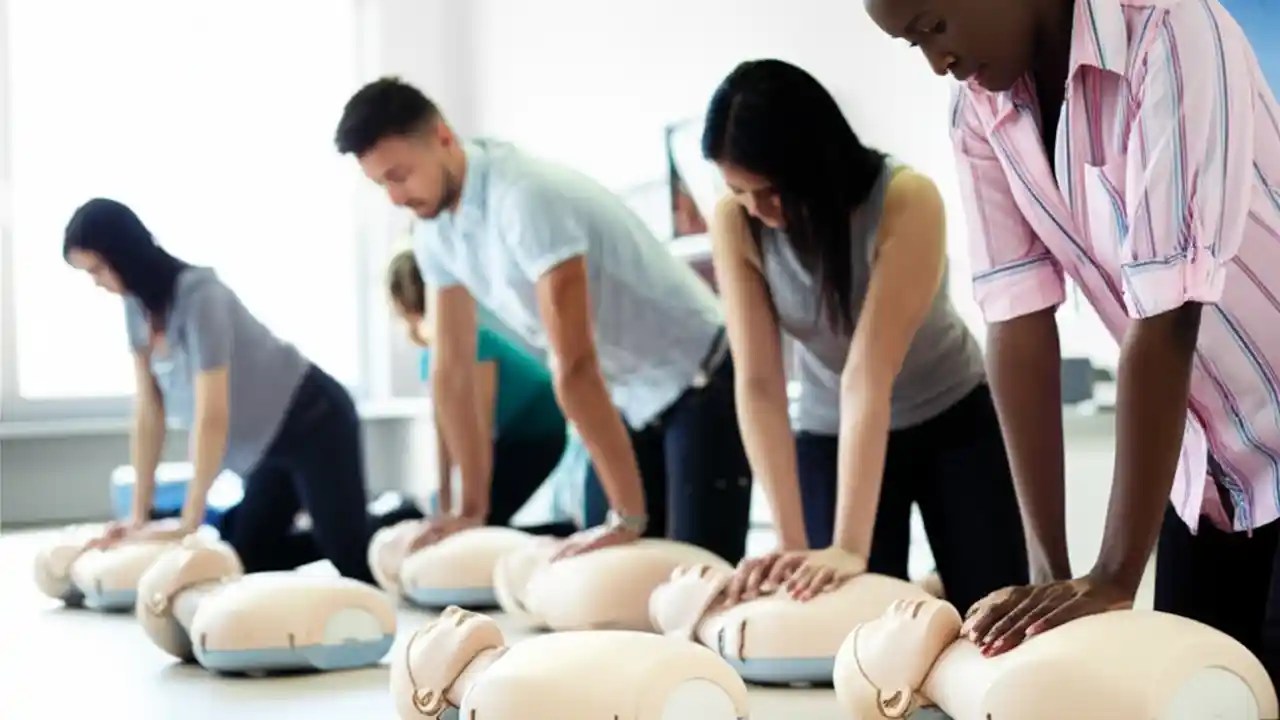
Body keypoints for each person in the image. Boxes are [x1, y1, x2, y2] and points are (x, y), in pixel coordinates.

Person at [864, 0, 1280, 683]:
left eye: (936, 26)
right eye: (915, 45)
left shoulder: (1172, 31)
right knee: (1198, 690)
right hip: (1206, 473)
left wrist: (1115, 574)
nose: (940, 61)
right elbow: (1017, 317)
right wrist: (1047, 573)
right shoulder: (979, 112)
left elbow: (1169, 314)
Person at [335, 78, 753, 564]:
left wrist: (627, 516)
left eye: (400, 175)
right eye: (380, 183)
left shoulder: (524, 197)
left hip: (699, 373)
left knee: (693, 571)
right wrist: (471, 510)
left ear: (443, 138)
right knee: (614, 571)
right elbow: (451, 370)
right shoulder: (435, 231)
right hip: (628, 391)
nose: (394, 197)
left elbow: (574, 361)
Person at [700, 59, 1028, 615]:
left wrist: (848, 546)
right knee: (846, 610)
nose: (758, 209)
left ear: (811, 164)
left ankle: (938, 590)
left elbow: (868, 372)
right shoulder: (737, 222)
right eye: (739, 190)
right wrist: (792, 543)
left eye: (770, 191)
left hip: (950, 417)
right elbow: (759, 383)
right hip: (831, 429)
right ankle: (922, 592)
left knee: (991, 606)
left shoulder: (907, 199)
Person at [63, 198, 377, 584]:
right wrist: (138, 515)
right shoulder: (135, 308)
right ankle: (354, 526)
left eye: (97, 270)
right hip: (265, 451)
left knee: (351, 559)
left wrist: (190, 521)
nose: (96, 282)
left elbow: (211, 415)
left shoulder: (200, 296)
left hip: (314, 421)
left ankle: (394, 519)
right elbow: (149, 412)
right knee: (246, 556)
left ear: (123, 255)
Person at [385, 250, 576, 546]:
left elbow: (479, 430)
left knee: (482, 525)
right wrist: (445, 506)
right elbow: (445, 431)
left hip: (540, 428)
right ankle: (563, 533)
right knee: (469, 524)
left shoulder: (474, 343)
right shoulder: (431, 357)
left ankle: (567, 535)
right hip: (512, 430)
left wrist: (470, 509)